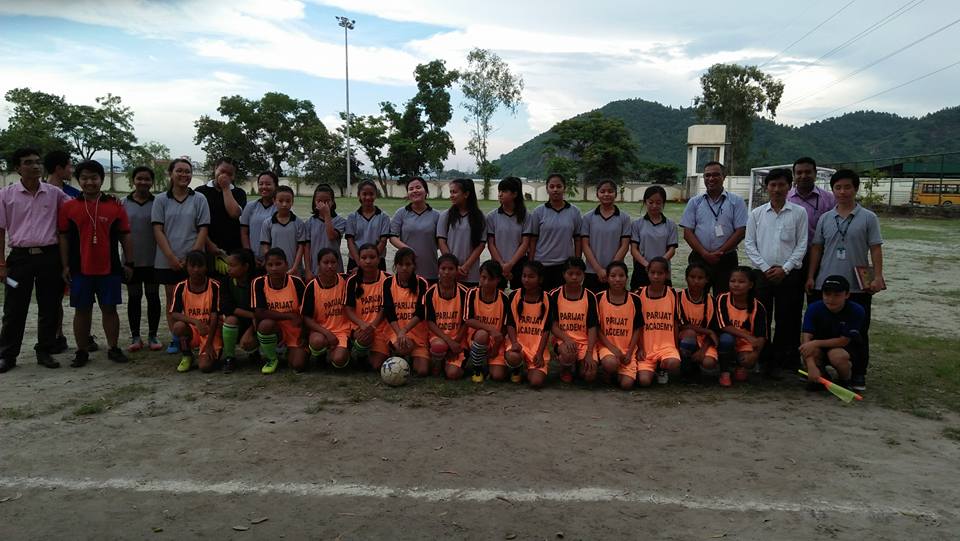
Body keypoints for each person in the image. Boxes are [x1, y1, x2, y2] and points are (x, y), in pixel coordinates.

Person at [806, 169, 885, 392]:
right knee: (821, 330)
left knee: (858, 332)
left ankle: (858, 372)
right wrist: (811, 276)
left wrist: (877, 277)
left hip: (857, 285)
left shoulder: (868, 217)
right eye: (838, 188)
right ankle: (819, 370)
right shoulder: (825, 218)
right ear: (833, 190)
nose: (842, 192)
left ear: (855, 188)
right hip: (825, 284)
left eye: (847, 187)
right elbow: (817, 249)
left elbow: (876, 249)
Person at [57, 160, 135, 367]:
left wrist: (129, 263)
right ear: (78, 180)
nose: (89, 182)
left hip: (109, 269)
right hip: (79, 269)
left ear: (102, 179)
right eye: (84, 178)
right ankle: (82, 351)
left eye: (94, 178)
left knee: (110, 309)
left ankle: (113, 348)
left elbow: (125, 236)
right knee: (82, 311)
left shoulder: (115, 206)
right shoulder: (68, 207)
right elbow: (63, 237)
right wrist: (64, 265)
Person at [0, 148, 71, 372]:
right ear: (17, 168)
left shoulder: (55, 194)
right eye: (28, 162)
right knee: (14, 308)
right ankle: (7, 355)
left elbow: (75, 211)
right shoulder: (6, 195)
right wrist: (1, 265)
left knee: (49, 305)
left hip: (49, 258)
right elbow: (0, 231)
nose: (35, 166)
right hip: (19, 260)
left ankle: (46, 350)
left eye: (38, 162)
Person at [744, 168, 808, 378]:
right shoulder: (756, 214)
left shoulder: (799, 213)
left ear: (790, 187)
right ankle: (762, 359)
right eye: (772, 185)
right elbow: (750, 245)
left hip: (789, 275)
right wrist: (765, 268)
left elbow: (802, 245)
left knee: (787, 318)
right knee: (761, 319)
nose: (777, 189)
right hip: (762, 275)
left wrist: (786, 268)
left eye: (781, 185)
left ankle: (785, 361)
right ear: (766, 187)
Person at [152, 158, 210, 354]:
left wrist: (191, 257)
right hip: (168, 259)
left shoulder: (199, 199)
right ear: (171, 174)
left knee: (196, 300)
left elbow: (203, 229)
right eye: (179, 171)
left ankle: (199, 335)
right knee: (172, 300)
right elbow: (158, 230)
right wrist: (171, 257)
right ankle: (177, 338)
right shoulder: (160, 200)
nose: (184, 175)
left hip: (194, 261)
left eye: (188, 171)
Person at [679, 161, 748, 294]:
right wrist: (705, 254)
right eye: (707, 175)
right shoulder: (695, 202)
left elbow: (740, 231)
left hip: (726, 259)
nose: (711, 178)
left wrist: (719, 252)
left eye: (716, 175)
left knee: (724, 298)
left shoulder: (736, 201)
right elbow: (687, 232)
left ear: (724, 176)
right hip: (699, 258)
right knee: (697, 297)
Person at [800, 275, 864, 392]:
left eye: (837, 295)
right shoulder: (814, 308)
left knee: (837, 356)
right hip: (818, 348)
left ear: (847, 295)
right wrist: (810, 365)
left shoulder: (856, 310)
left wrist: (815, 343)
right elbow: (806, 338)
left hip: (843, 347)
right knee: (810, 350)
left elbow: (843, 340)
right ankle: (820, 376)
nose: (831, 299)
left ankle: (845, 380)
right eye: (827, 294)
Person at [123, 166, 163, 352]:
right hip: (131, 261)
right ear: (133, 180)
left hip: (153, 259)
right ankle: (135, 335)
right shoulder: (122, 203)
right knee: (134, 297)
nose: (143, 182)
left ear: (152, 182)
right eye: (139, 178)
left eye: (147, 179)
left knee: (153, 296)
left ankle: (153, 335)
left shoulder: (158, 203)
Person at [252, 248, 307, 374]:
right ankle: (272, 358)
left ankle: (289, 351)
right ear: (265, 266)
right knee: (265, 324)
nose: (274, 268)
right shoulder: (259, 283)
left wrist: (305, 333)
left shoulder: (296, 282)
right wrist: (288, 316)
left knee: (298, 365)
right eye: (270, 265)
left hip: (294, 328)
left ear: (286, 264)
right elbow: (260, 312)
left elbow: (306, 311)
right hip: (275, 327)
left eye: (278, 264)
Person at [464, 260, 520, 382]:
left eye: (491, 279)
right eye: (483, 277)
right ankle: (477, 368)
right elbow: (468, 320)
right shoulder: (472, 293)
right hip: (477, 337)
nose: (486, 282)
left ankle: (506, 366)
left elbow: (506, 326)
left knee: (498, 376)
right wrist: (491, 329)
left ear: (498, 280)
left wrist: (496, 347)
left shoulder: (504, 299)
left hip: (497, 339)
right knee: (482, 334)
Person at [788, 157, 834, 302]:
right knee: (792, 303)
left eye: (808, 172)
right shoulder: (786, 198)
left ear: (815, 174)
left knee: (816, 300)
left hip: (819, 258)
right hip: (792, 258)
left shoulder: (829, 199)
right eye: (799, 172)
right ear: (794, 175)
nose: (803, 176)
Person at [527, 174, 582, 291]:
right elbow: (533, 239)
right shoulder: (538, 212)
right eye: (551, 187)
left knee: (561, 301)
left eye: (559, 186)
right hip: (542, 264)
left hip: (565, 265)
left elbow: (577, 239)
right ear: (547, 189)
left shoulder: (574, 212)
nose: (555, 190)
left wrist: (577, 261)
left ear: (564, 188)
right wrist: (531, 263)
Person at [548, 257, 599, 383]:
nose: (574, 277)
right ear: (564, 274)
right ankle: (565, 368)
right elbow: (553, 325)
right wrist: (567, 339)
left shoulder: (590, 296)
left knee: (589, 375)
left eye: (578, 274)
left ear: (583, 275)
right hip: (563, 340)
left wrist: (589, 352)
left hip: (584, 342)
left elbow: (593, 327)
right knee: (568, 353)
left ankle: (578, 364)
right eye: (570, 273)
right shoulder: (554, 295)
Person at [169, 251, 222, 373]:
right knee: (178, 327)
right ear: (186, 267)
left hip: (211, 330)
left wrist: (208, 344)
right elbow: (174, 313)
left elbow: (215, 316)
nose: (196, 270)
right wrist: (195, 322)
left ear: (206, 267)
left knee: (205, 367)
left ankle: (213, 351)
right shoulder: (180, 286)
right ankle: (187, 355)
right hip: (194, 329)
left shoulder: (215, 286)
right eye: (192, 266)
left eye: (200, 266)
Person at [716, 266, 767, 387]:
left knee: (747, 365)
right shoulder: (722, 299)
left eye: (741, 282)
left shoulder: (758, 307)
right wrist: (747, 336)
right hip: (724, 340)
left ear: (750, 285)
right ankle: (724, 372)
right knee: (726, 339)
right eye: (732, 281)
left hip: (744, 344)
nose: (736, 285)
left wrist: (755, 354)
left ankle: (740, 366)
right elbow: (724, 326)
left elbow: (761, 335)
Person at [596, 261, 644, 390]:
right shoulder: (599, 298)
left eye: (621, 276)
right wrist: (613, 348)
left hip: (627, 348)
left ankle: (617, 373)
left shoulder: (635, 299)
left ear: (627, 278)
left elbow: (637, 328)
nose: (617, 279)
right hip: (607, 347)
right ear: (607, 278)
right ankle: (608, 370)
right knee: (610, 363)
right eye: (613, 276)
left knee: (626, 385)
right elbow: (597, 329)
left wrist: (629, 352)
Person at [382, 248, 430, 375]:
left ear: (414, 266)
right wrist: (400, 332)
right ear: (395, 265)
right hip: (396, 331)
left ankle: (410, 356)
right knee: (403, 346)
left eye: (408, 264)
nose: (404, 268)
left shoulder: (422, 283)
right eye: (400, 264)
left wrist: (405, 331)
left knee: (422, 371)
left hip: (416, 333)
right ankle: (397, 352)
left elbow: (420, 312)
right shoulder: (388, 282)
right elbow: (389, 311)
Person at [505, 260, 553, 388]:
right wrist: (514, 342)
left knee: (536, 382)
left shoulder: (548, 298)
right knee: (513, 356)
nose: (526, 279)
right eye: (524, 276)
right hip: (519, 344)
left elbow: (547, 330)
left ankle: (527, 369)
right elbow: (510, 324)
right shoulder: (514, 295)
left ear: (540, 279)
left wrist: (540, 352)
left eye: (531, 276)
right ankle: (517, 368)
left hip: (536, 347)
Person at [302, 248, 351, 369]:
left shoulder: (346, 280)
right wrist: (327, 333)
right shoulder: (312, 286)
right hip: (321, 330)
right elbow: (306, 318)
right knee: (317, 342)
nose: (330, 266)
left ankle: (344, 352)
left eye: (333, 262)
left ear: (338, 264)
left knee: (339, 360)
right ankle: (320, 356)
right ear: (318, 264)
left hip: (343, 330)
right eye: (326, 262)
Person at [635, 257, 681, 386]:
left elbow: (675, 322)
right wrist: (639, 347)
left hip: (667, 347)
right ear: (647, 272)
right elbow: (636, 325)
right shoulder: (639, 293)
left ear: (666, 274)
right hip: (646, 348)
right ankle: (652, 368)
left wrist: (676, 346)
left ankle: (662, 368)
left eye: (660, 273)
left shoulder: (672, 293)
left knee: (674, 363)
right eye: (652, 273)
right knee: (644, 382)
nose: (656, 276)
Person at [344, 243, 390, 370]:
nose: (368, 261)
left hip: (380, 327)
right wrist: (362, 324)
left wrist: (373, 326)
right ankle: (360, 354)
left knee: (376, 366)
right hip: (360, 326)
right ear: (359, 260)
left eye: (372, 257)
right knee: (364, 338)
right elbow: (348, 309)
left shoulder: (387, 279)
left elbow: (385, 308)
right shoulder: (352, 281)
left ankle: (385, 350)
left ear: (379, 259)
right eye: (364, 258)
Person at [424, 254, 470, 380]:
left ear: (456, 270)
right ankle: (438, 361)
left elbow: (466, 322)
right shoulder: (430, 293)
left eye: (451, 269)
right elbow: (430, 322)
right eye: (443, 269)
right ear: (438, 270)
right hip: (438, 338)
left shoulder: (465, 293)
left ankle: (457, 367)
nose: (446, 272)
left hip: (458, 339)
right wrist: (449, 342)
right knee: (438, 347)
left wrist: (455, 342)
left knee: (452, 374)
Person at [581, 180, 631, 293]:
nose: (606, 194)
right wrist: (598, 269)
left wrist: (610, 270)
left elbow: (625, 245)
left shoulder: (624, 218)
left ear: (616, 194)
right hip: (592, 271)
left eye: (610, 191)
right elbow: (585, 245)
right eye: (602, 191)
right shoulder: (588, 217)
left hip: (616, 274)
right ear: (597, 194)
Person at [196, 157, 247, 265]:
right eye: (222, 171)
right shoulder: (200, 192)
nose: (225, 176)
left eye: (230, 174)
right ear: (215, 168)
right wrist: (209, 244)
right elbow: (196, 222)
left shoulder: (239, 193)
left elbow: (234, 213)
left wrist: (226, 188)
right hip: (207, 245)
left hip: (233, 247)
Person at [389, 177, 440, 282]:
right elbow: (393, 237)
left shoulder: (436, 215)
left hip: (430, 268)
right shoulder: (401, 213)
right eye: (411, 189)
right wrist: (408, 250)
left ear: (426, 191)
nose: (415, 191)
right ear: (408, 193)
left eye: (418, 187)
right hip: (406, 268)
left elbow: (441, 241)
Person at [437, 178, 487, 287]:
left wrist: (465, 267)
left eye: (454, 192)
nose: (451, 195)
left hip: (470, 273)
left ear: (466, 194)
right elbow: (441, 241)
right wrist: (453, 267)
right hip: (449, 273)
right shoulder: (445, 215)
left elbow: (481, 245)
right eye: (450, 192)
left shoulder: (480, 217)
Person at [485, 177, 530, 290]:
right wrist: (502, 265)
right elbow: (491, 244)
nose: (500, 194)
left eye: (504, 191)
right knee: (496, 297)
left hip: (519, 263)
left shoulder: (526, 216)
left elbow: (525, 244)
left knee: (519, 297)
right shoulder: (492, 216)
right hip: (497, 263)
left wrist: (510, 264)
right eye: (499, 191)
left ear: (514, 194)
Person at [219, 248, 260, 373]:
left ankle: (254, 352)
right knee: (230, 320)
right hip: (243, 319)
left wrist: (251, 328)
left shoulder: (257, 282)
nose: (229, 268)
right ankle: (230, 358)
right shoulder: (226, 281)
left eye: (233, 265)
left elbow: (260, 310)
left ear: (245, 267)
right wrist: (251, 315)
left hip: (257, 322)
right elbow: (226, 307)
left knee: (250, 339)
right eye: (228, 265)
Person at [630, 185, 678, 290]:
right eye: (650, 202)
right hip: (642, 269)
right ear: (645, 202)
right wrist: (647, 265)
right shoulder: (637, 224)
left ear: (663, 203)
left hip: (663, 270)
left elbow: (672, 249)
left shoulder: (671, 225)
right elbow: (634, 249)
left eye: (658, 202)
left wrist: (659, 264)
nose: (654, 206)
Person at [677, 263, 719, 378]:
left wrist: (702, 350)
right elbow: (682, 325)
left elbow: (714, 329)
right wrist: (707, 331)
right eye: (692, 277)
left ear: (706, 280)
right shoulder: (678, 297)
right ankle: (686, 368)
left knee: (708, 362)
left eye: (700, 278)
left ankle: (696, 363)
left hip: (704, 341)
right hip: (684, 338)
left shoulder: (712, 301)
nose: (696, 281)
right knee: (690, 334)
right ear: (686, 278)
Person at [259, 185, 306, 275]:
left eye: (288, 201)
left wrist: (295, 268)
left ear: (292, 202)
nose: (284, 204)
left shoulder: (299, 223)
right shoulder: (267, 223)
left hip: (294, 271)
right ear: (274, 201)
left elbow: (301, 248)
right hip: (275, 270)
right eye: (280, 201)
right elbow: (265, 247)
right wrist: (272, 265)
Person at [345, 180, 390, 272]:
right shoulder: (352, 217)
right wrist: (360, 262)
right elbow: (350, 242)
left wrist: (372, 259)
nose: (368, 197)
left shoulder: (384, 217)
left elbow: (383, 241)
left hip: (377, 261)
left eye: (371, 194)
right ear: (359, 195)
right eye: (364, 194)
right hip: (355, 261)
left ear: (376, 195)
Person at [305, 183, 346, 279]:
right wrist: (307, 270)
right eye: (319, 201)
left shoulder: (340, 221)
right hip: (316, 269)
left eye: (327, 201)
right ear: (314, 202)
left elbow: (331, 236)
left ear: (333, 202)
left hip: (335, 269)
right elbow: (306, 248)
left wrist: (327, 214)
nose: (323, 204)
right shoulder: (309, 223)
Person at [239, 171, 278, 265]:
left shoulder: (281, 208)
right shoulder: (250, 206)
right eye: (261, 184)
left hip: (275, 261)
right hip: (254, 259)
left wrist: (270, 259)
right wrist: (250, 256)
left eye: (268, 184)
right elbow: (244, 233)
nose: (264, 187)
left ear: (276, 186)